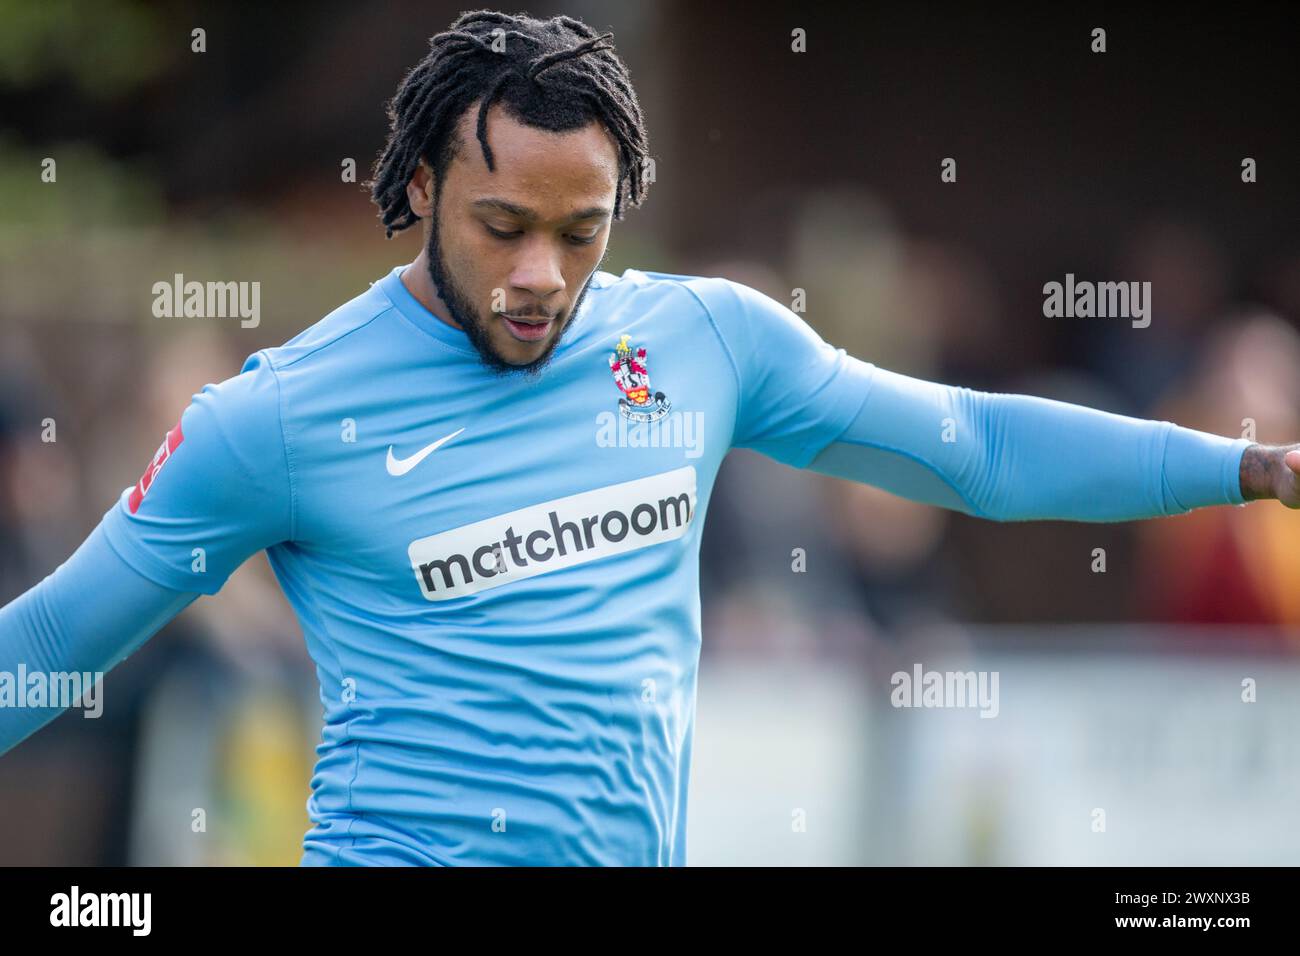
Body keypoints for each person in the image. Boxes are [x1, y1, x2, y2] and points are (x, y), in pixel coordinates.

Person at [2, 10, 1298, 866]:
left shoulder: (704, 345)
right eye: (503, 226)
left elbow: (973, 447)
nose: (543, 276)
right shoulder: (277, 415)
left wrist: (1242, 468)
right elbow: (53, 641)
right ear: (415, 190)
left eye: (583, 231)